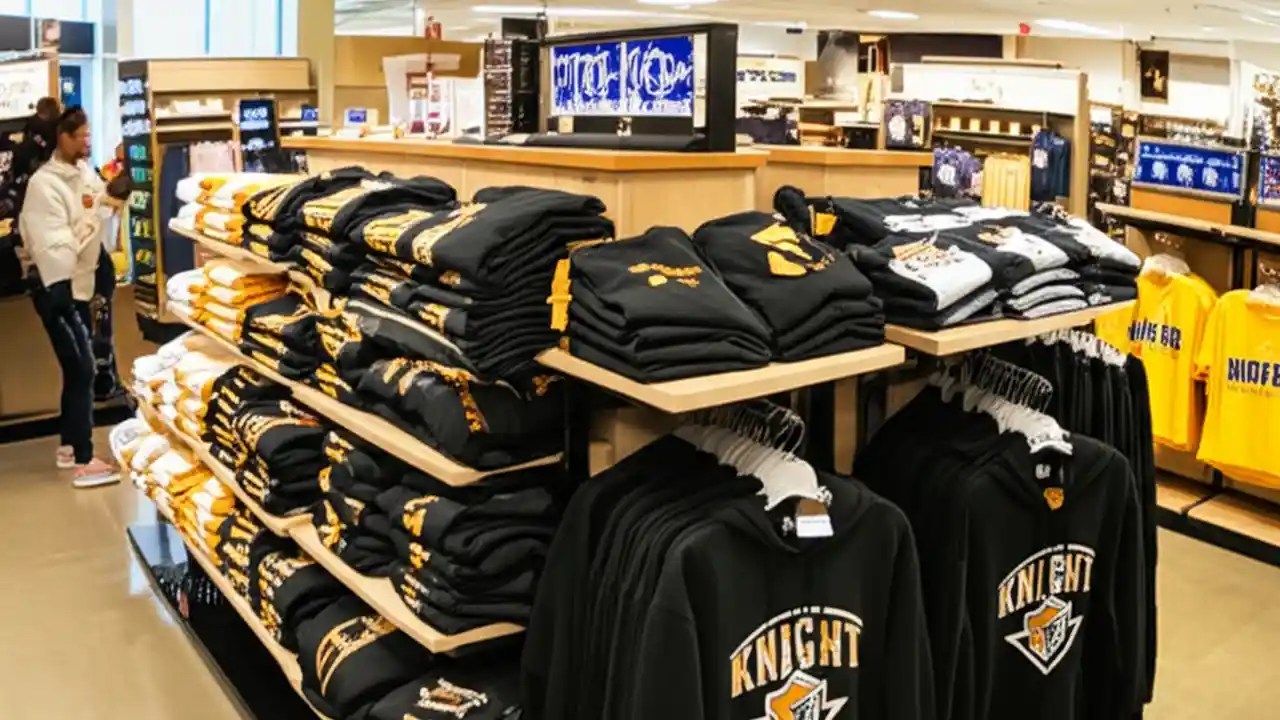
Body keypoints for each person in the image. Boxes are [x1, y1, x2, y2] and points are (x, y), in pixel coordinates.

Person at [18, 107, 119, 488]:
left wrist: (114, 196)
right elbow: (54, 239)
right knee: (83, 368)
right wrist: (60, 281)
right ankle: (83, 458)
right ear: (62, 137)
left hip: (77, 287)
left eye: (88, 135)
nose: (87, 142)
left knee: (76, 368)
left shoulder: (82, 174)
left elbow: (94, 207)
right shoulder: (44, 185)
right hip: (56, 289)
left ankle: (67, 447)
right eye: (81, 136)